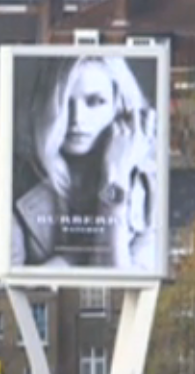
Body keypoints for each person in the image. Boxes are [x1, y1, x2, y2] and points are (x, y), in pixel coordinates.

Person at [11, 55, 158, 272]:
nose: (77, 118)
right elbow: (9, 286)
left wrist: (115, 177)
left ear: (121, 108)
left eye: (95, 101)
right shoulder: (16, 181)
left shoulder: (151, 190)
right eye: (64, 102)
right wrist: (76, 259)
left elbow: (118, 285)